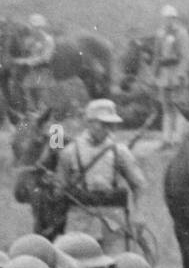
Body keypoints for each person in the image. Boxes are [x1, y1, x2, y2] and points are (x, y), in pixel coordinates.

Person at [54, 99, 147, 253]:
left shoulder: (120, 151)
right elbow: (60, 189)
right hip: (80, 220)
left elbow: (139, 184)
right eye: (103, 123)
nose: (108, 128)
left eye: (110, 124)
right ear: (89, 122)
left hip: (113, 222)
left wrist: (139, 213)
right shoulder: (69, 152)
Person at [152, 5, 189, 147]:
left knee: (179, 108)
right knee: (166, 108)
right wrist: (155, 73)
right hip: (164, 76)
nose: (167, 21)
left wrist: (181, 74)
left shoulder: (181, 33)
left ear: (175, 19)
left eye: (170, 18)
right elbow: (156, 55)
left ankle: (178, 139)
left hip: (177, 74)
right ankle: (166, 140)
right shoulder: (160, 33)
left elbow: (186, 57)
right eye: (165, 18)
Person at [14, 14, 56, 113]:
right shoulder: (29, 40)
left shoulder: (48, 40)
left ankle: (43, 123)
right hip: (31, 72)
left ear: (42, 27)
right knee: (29, 102)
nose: (34, 29)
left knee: (41, 100)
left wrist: (26, 61)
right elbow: (26, 52)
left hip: (43, 71)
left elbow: (45, 58)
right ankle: (25, 126)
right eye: (33, 26)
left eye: (37, 27)